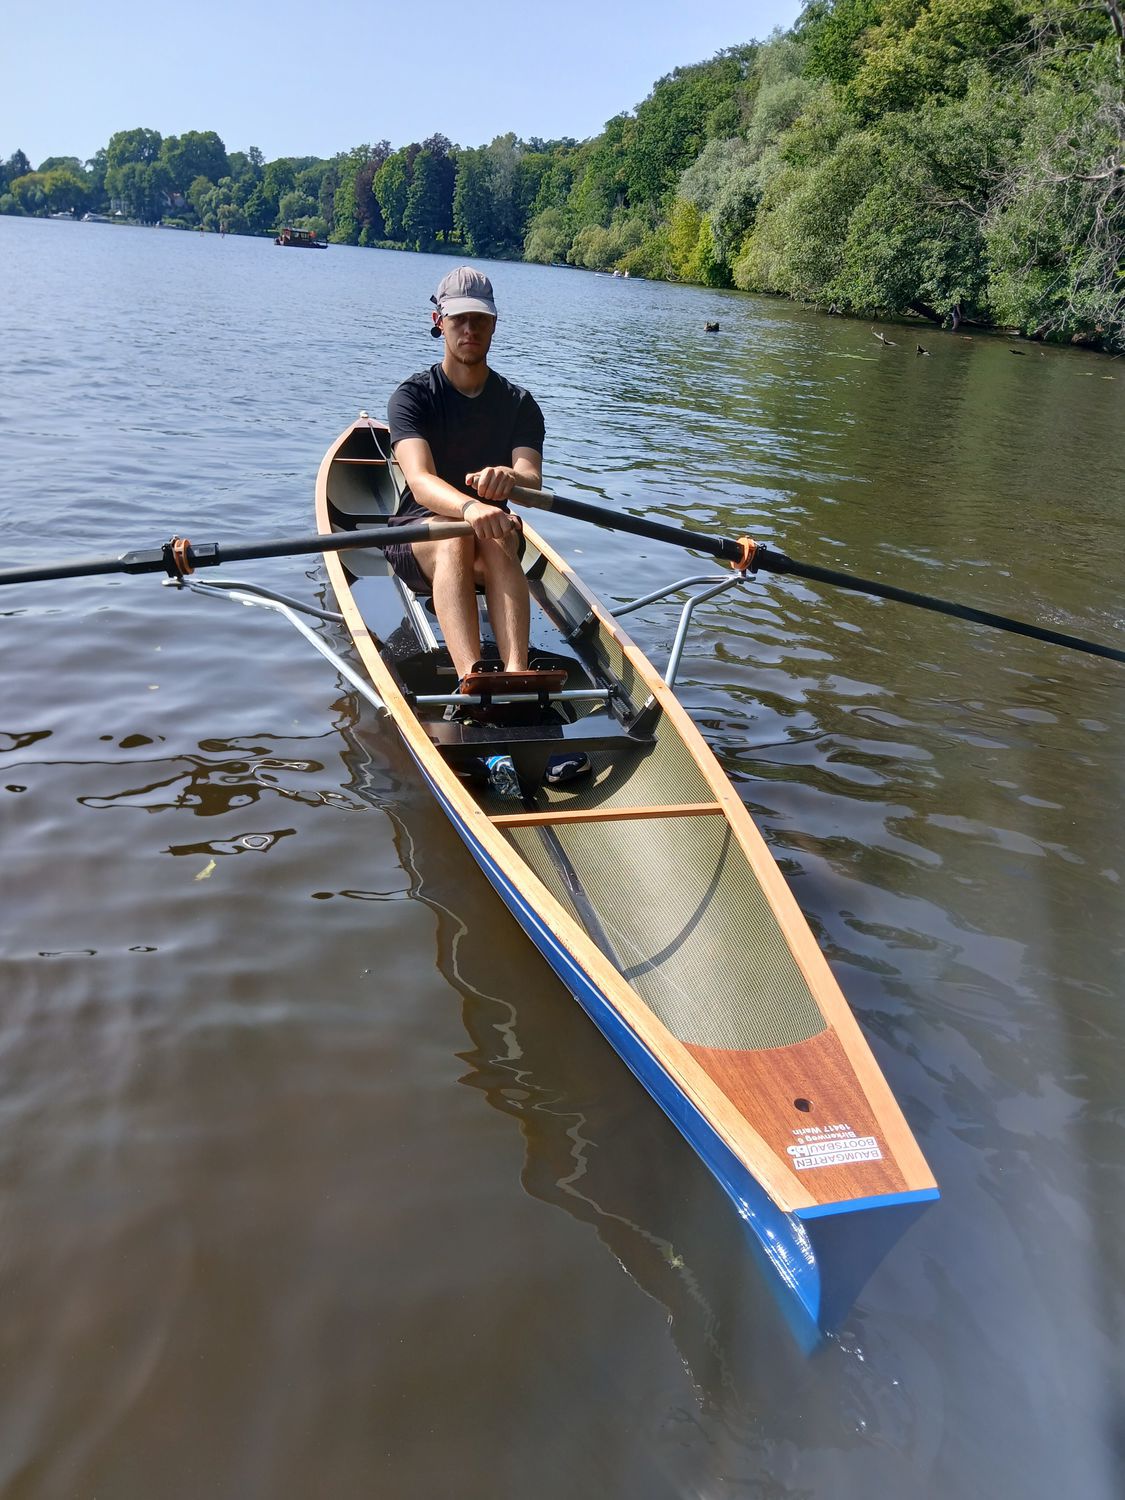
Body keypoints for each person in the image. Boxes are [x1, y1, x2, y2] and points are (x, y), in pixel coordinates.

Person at [385, 267, 589, 785]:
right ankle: (473, 689)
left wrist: (510, 481)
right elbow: (422, 480)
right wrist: (471, 509)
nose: (469, 330)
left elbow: (531, 478)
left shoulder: (519, 404)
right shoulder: (412, 398)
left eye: (480, 320)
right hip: (420, 536)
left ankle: (516, 688)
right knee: (461, 533)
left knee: (501, 533)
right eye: (459, 319)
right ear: (439, 322)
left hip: (491, 540)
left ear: (494, 327)